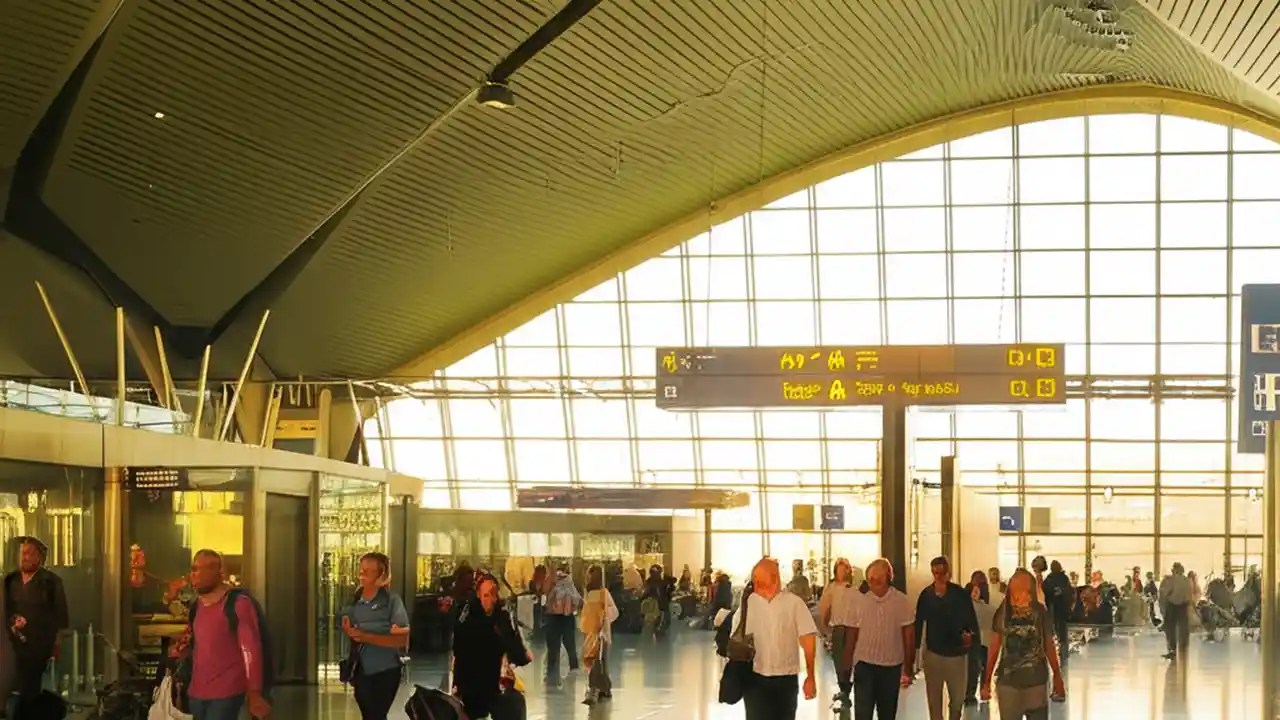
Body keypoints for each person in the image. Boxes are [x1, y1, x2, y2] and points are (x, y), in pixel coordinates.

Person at [183, 549, 269, 720]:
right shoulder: (197, 606)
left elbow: (250, 650)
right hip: (196, 692)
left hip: (226, 691)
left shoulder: (238, 604)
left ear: (215, 572)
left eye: (196, 569)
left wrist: (254, 692)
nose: (192, 575)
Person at [739, 557, 818, 720]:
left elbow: (808, 641)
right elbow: (737, 636)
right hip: (754, 678)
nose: (757, 585)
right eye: (755, 581)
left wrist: (810, 676)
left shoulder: (794, 604)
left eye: (761, 581)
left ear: (776, 579)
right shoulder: (748, 603)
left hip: (785, 680)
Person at [981, 568, 1065, 718]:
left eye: (1025, 590)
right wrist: (986, 680)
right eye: (1017, 591)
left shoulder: (1040, 613)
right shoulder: (1003, 614)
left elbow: (1049, 646)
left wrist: (1057, 676)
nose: (1021, 596)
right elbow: (994, 647)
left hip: (1036, 683)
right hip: (1009, 685)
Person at [341, 552, 410, 720]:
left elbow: (402, 639)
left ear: (382, 575)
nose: (363, 574)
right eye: (362, 570)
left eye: (369, 571)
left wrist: (366, 637)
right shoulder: (355, 600)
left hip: (386, 670)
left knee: (376, 715)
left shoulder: (391, 601)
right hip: (361, 670)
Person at [452, 573, 531, 718]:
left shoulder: (502, 617)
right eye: (486, 595)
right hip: (471, 683)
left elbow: (517, 650)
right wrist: (457, 688)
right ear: (478, 595)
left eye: (494, 594)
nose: (491, 600)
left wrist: (517, 656)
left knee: (514, 704)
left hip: (496, 683)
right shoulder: (467, 616)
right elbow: (459, 651)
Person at [844, 558, 914, 720]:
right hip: (864, 665)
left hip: (891, 666)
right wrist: (847, 665)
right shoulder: (858, 601)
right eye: (871, 580)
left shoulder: (902, 602)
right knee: (863, 713)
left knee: (887, 713)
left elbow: (908, 635)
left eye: (879, 579)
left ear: (889, 577)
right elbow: (851, 633)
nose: (874, 583)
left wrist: (908, 667)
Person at [4, 537, 67, 717]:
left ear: (39, 557)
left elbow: (60, 614)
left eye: (31, 553)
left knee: (34, 686)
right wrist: (13, 620)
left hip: (40, 645)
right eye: (23, 553)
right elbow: (5, 608)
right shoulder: (10, 581)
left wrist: (57, 642)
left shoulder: (51, 581)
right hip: (13, 644)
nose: (26, 557)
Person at [914, 556, 978, 720]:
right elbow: (918, 623)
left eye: (942, 573)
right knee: (934, 702)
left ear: (948, 573)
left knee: (957, 701)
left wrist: (970, 639)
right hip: (934, 654)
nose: (939, 576)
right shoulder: (926, 595)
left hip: (957, 655)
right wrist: (915, 655)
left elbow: (971, 621)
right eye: (936, 573)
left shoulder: (960, 595)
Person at [818, 558, 858, 711]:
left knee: (848, 660)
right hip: (837, 628)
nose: (842, 572)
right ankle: (843, 687)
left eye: (845, 569)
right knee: (838, 660)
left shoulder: (853, 590)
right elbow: (824, 608)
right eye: (839, 569)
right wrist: (825, 627)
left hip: (851, 628)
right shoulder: (831, 589)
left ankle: (846, 690)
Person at [579, 565, 619, 706]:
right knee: (599, 661)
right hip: (593, 632)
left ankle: (594, 690)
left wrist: (604, 624)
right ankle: (605, 689)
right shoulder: (590, 593)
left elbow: (612, 611)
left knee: (597, 661)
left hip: (599, 633)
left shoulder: (602, 593)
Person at [543, 564, 581, 685]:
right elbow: (576, 599)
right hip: (566, 617)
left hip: (553, 617)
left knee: (554, 648)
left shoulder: (549, 580)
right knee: (570, 645)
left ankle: (551, 675)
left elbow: (544, 598)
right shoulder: (568, 581)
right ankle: (573, 669)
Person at [963, 575, 996, 706]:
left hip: (977, 639)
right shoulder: (989, 602)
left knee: (973, 667)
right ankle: (983, 689)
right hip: (984, 639)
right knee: (982, 666)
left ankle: (971, 693)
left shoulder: (966, 603)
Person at [1040, 560, 1072, 667]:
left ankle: (1057, 650)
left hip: (1054, 608)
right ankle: (1061, 651)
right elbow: (1069, 592)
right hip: (1059, 609)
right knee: (1061, 631)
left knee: (1055, 630)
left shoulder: (1049, 580)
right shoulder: (1063, 579)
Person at [1159, 562, 1192, 660]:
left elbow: (1165, 593)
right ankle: (1183, 647)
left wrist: (1163, 605)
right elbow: (1189, 595)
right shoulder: (1187, 580)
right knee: (1184, 627)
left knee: (1170, 628)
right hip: (1183, 605)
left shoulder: (1171, 580)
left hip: (1172, 605)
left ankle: (1172, 649)